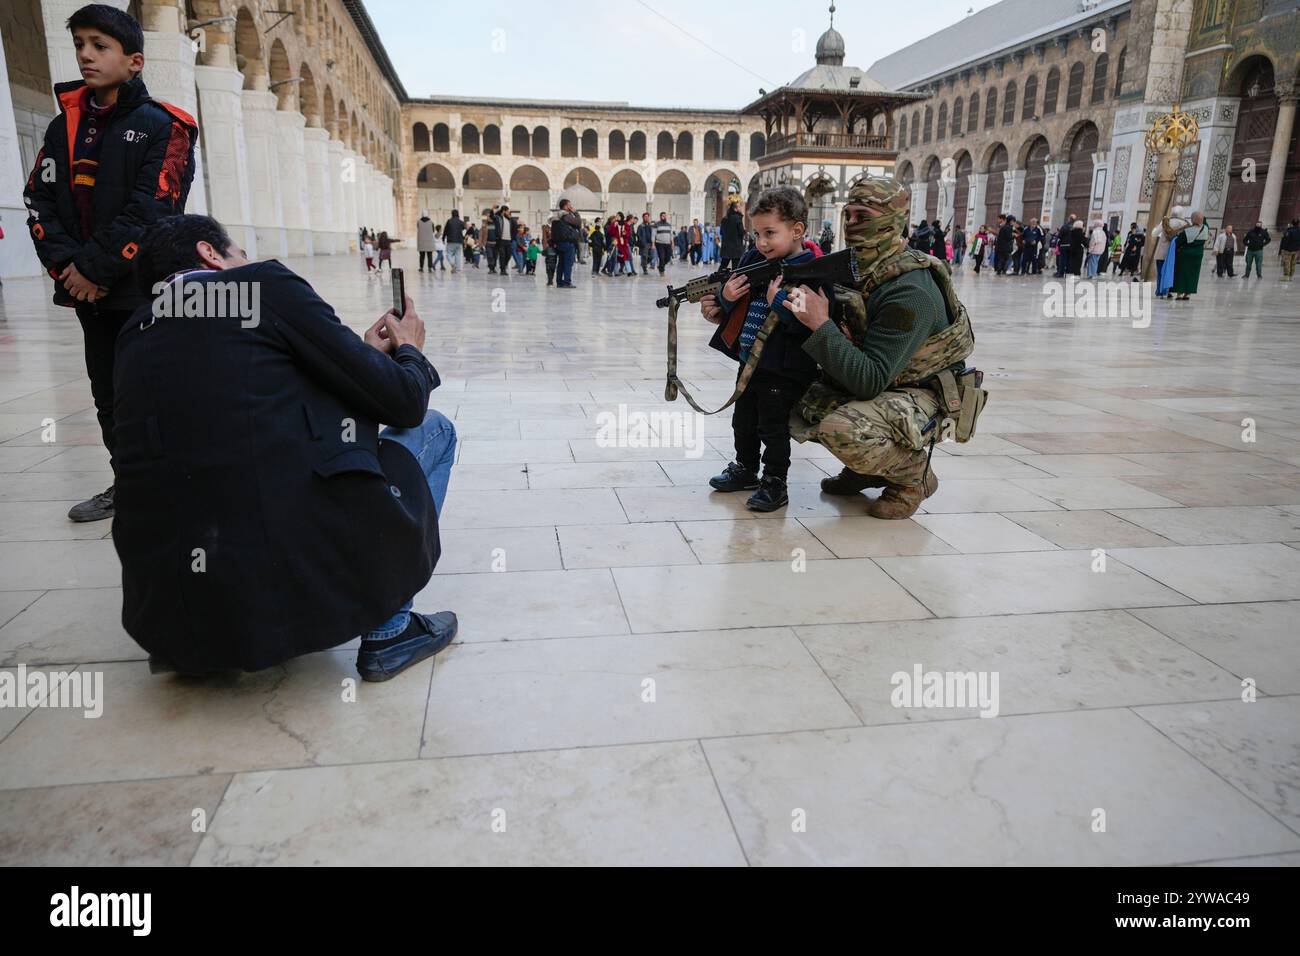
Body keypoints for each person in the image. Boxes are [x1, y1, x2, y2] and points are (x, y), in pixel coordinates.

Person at [119, 214, 457, 680]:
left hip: (170, 625)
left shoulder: (134, 331)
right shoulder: (261, 285)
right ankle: (391, 630)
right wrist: (411, 353)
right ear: (209, 253)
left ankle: (212, 631)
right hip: (278, 577)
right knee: (436, 431)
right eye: (238, 252)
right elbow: (404, 404)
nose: (245, 260)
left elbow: (255, 402)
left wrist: (358, 357)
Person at [23, 3, 198, 523]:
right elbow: (38, 200)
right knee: (109, 397)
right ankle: (130, 486)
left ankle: (177, 486)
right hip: (87, 294)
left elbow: (153, 208)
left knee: (154, 391)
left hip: (142, 287)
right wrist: (69, 273)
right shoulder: (63, 128)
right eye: (80, 44)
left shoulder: (166, 127)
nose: (86, 55)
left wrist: (95, 270)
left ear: (135, 61)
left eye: (100, 46)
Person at [784, 177, 983, 519]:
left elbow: (869, 380)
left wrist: (820, 324)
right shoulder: (863, 269)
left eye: (863, 216)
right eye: (848, 215)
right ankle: (868, 468)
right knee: (783, 392)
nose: (851, 225)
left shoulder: (911, 291)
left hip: (926, 393)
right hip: (890, 381)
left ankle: (913, 476)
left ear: (892, 220)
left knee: (843, 428)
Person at [699, 187, 827, 512]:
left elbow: (811, 321)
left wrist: (780, 303)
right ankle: (745, 469)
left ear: (797, 230)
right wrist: (725, 297)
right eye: (757, 233)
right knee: (743, 420)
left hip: (783, 368)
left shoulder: (812, 268)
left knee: (772, 427)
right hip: (750, 361)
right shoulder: (754, 260)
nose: (762, 242)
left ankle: (774, 483)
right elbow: (735, 305)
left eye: (770, 233)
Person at [1169, 211, 1209, 300]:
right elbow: (1205, 221)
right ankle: (1188, 293)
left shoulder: (1187, 231)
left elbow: (1178, 242)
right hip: (1198, 256)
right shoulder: (1205, 229)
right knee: (1193, 274)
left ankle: (1179, 293)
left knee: (1181, 274)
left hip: (1185, 255)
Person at [550, 198, 582, 288]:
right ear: (565, 206)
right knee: (568, 263)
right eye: (569, 205)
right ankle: (567, 282)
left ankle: (559, 282)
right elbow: (579, 223)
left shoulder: (556, 216)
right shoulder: (565, 215)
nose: (571, 206)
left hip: (559, 243)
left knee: (561, 263)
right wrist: (576, 213)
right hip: (568, 242)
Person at [720, 201, 746, 269]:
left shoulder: (724, 219)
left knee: (723, 266)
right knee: (735, 267)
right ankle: (734, 279)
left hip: (726, 247)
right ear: (735, 209)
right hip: (736, 247)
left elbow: (721, 232)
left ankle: (717, 278)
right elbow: (741, 232)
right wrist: (744, 231)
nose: (741, 208)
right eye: (739, 207)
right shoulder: (738, 218)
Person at [654, 211, 675, 276]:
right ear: (660, 217)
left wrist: (673, 243)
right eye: (663, 216)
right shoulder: (656, 224)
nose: (664, 217)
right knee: (662, 258)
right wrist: (653, 244)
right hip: (659, 243)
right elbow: (653, 234)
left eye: (665, 216)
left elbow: (671, 235)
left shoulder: (669, 225)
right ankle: (662, 271)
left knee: (668, 258)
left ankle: (660, 266)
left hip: (668, 243)